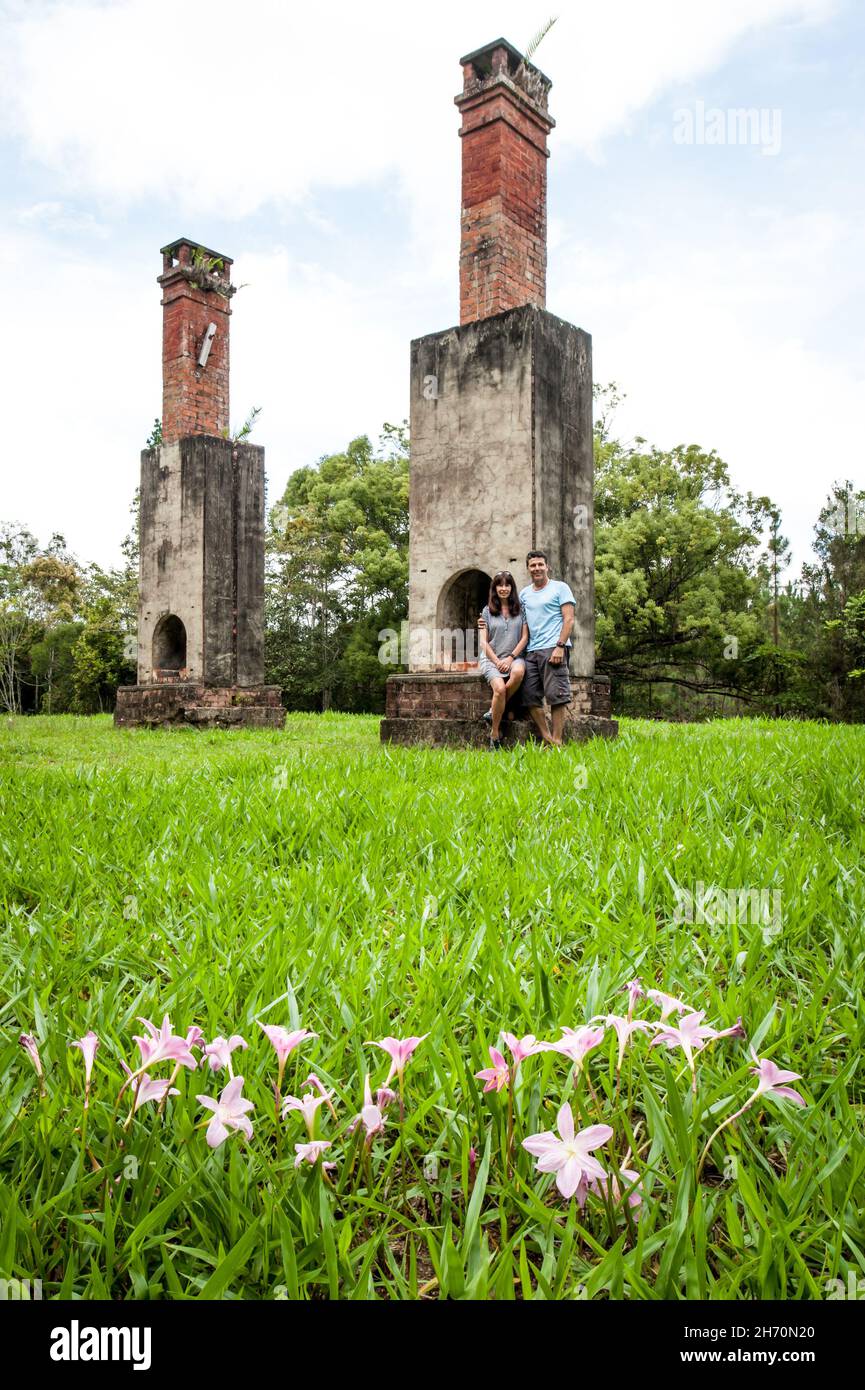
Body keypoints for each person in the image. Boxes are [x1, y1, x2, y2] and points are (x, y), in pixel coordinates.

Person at [519, 550, 576, 748]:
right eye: (533, 565)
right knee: (530, 696)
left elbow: (569, 619)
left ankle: (558, 740)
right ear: (528, 569)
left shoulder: (560, 588)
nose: (537, 568)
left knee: (557, 695)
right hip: (532, 651)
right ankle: (547, 737)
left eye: (540, 565)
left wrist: (560, 646)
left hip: (553, 647)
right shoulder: (524, 594)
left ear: (547, 566)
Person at [477, 572, 528, 751]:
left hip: (514, 657)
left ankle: (493, 711)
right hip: (491, 659)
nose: (504, 589)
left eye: (507, 585)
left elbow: (524, 637)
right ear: (495, 588)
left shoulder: (521, 610)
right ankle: (495, 733)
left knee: (518, 672)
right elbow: (483, 642)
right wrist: (497, 661)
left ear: (512, 588)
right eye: (500, 585)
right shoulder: (486, 611)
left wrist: (510, 658)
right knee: (498, 689)